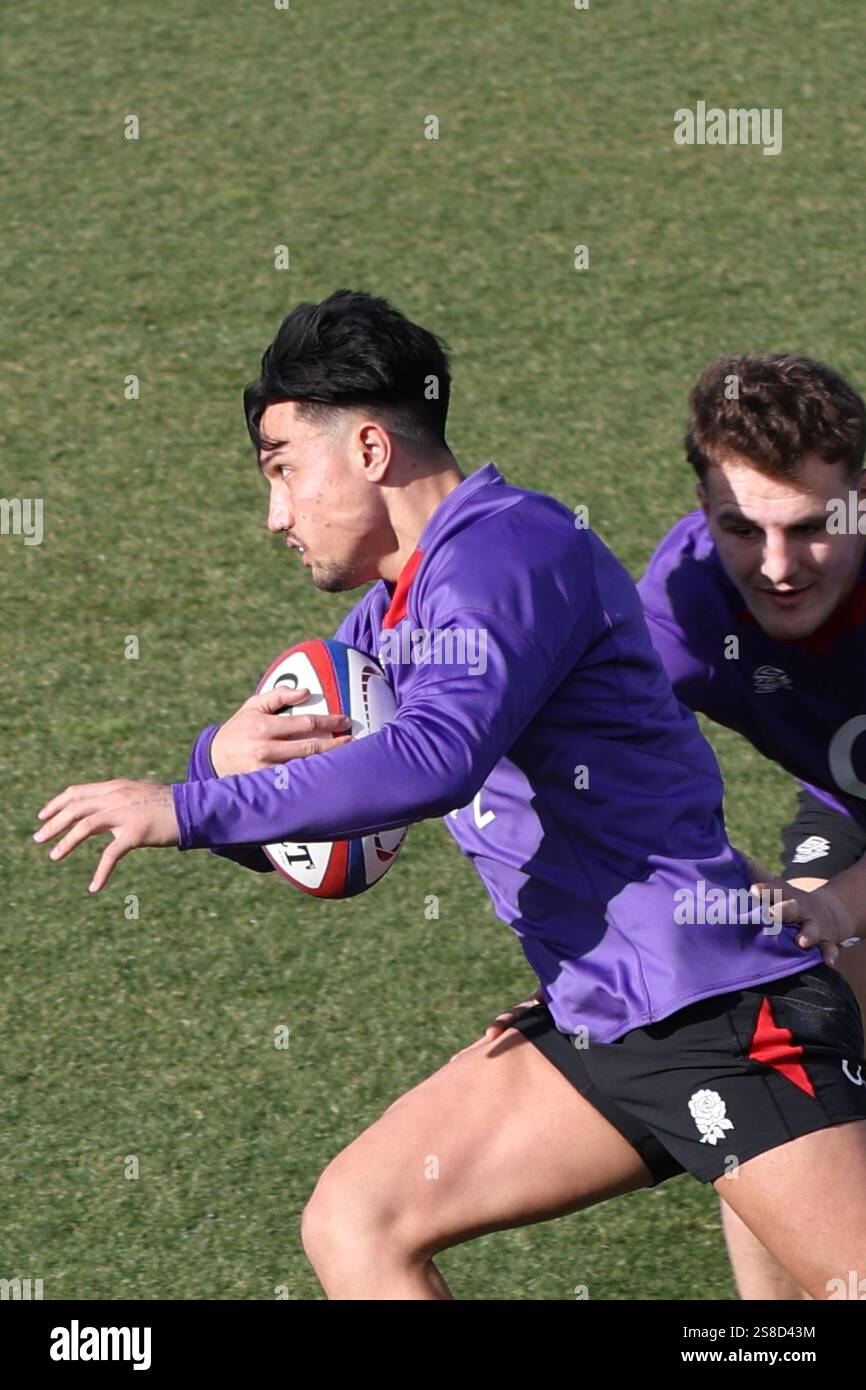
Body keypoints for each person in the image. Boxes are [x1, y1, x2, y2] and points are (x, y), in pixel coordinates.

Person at [33, 301, 866, 1300]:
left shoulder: (509, 553)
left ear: (371, 446)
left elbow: (435, 758)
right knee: (358, 1219)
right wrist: (218, 757)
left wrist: (182, 808)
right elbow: (330, 828)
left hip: (715, 1009)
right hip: (602, 1015)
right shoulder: (388, 617)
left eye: (282, 469)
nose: (274, 515)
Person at [482, 353, 866, 1300]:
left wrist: (841, 904)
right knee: (770, 1052)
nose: (776, 568)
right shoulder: (684, 605)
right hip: (849, 812)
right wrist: (603, 969)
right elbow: (586, 771)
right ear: (701, 503)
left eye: (813, 528)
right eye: (742, 529)